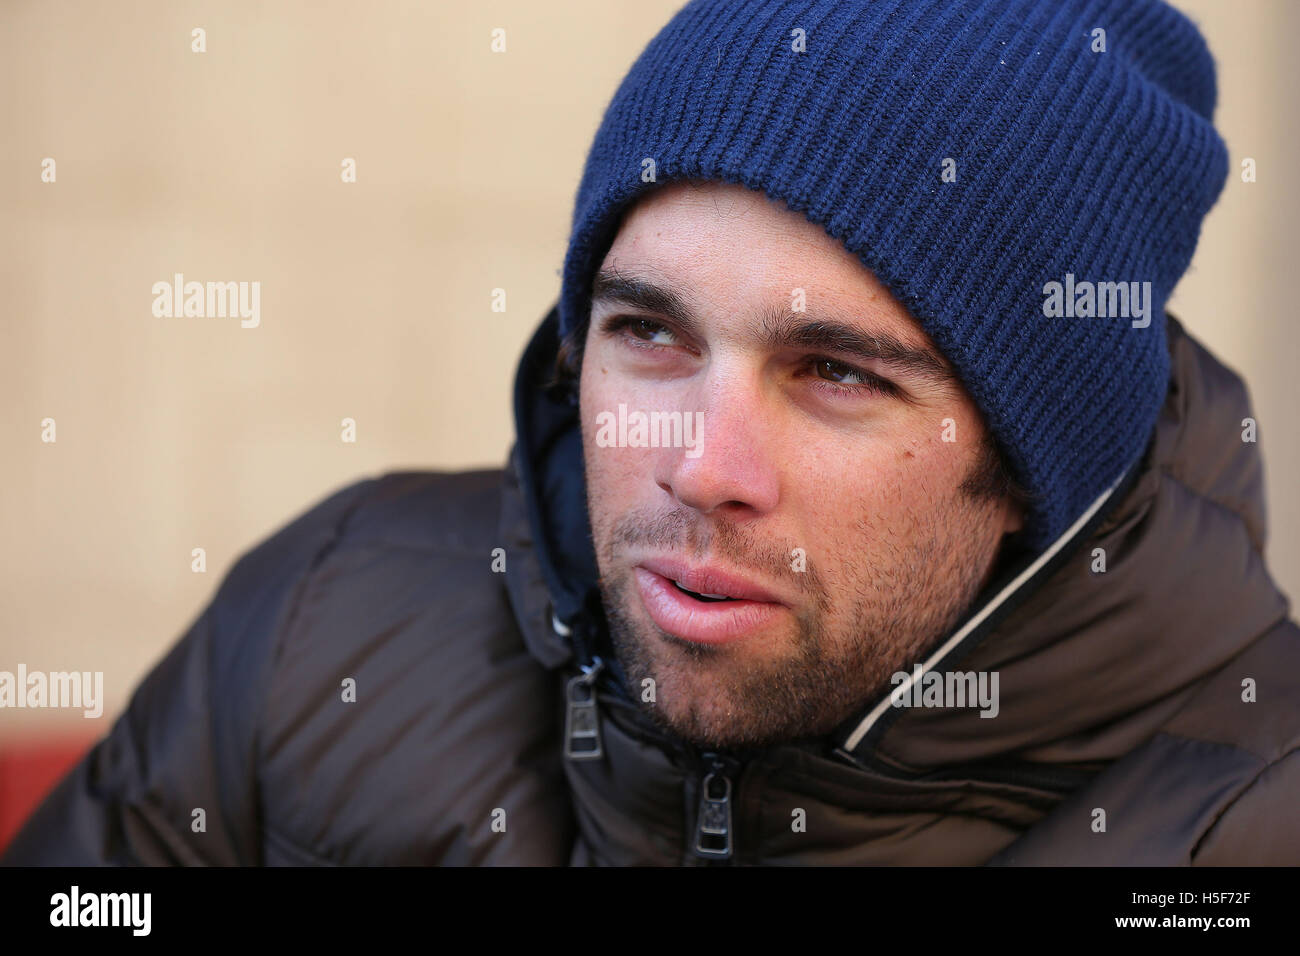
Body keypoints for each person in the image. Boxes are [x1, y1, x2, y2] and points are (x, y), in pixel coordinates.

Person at [5, 0, 1297, 866]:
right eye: (651, 335)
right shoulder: (319, 625)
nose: (702, 466)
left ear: (1033, 470)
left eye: (837, 374)